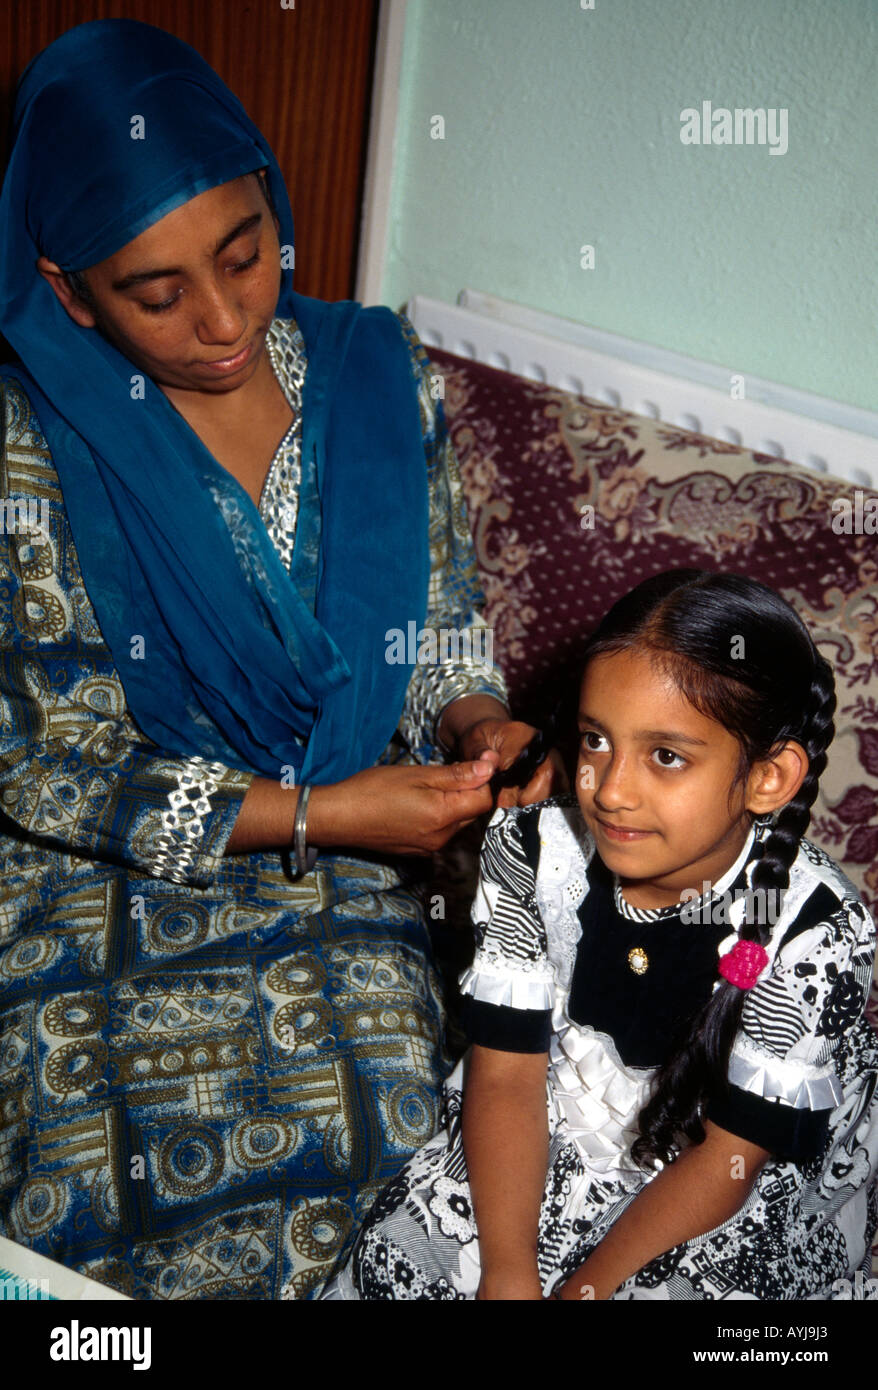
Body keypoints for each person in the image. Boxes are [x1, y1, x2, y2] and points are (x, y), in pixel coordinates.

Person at [0, 19, 558, 1300]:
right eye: (155, 292)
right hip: (101, 876)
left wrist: (474, 719)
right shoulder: (34, 434)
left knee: (385, 1129)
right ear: (69, 286)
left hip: (353, 857)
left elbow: (438, 618)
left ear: (271, 201)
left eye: (244, 254)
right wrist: (316, 809)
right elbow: (50, 763)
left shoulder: (373, 372)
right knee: (81, 1158)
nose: (219, 318)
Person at [325, 569, 878, 1300]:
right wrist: (511, 1269)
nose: (610, 789)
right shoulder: (531, 849)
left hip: (721, 1174)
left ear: (768, 778)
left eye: (666, 756)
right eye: (594, 740)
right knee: (404, 1259)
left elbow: (725, 1163)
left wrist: (582, 1292)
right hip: (535, 1118)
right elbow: (509, 1073)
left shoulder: (817, 935)